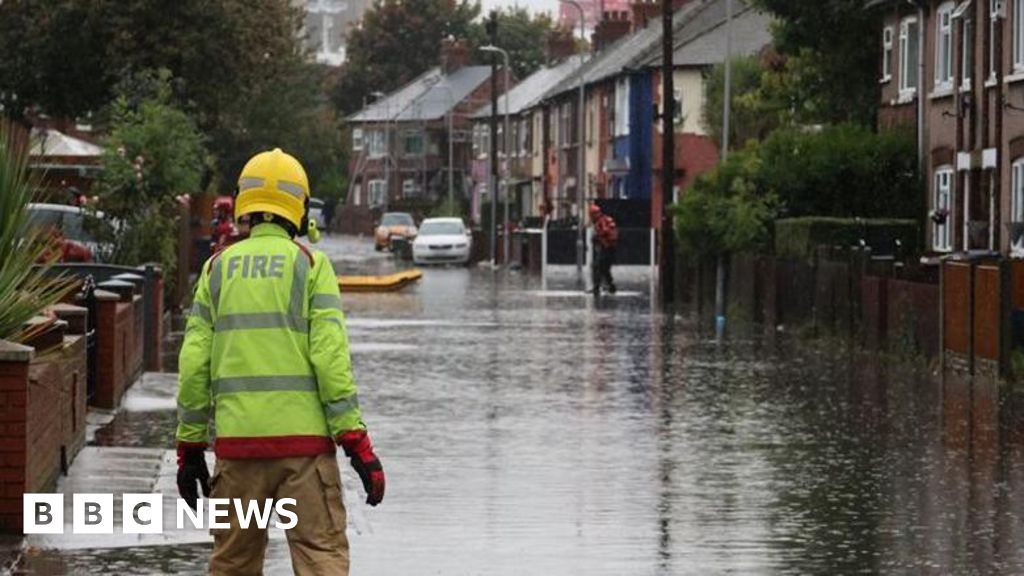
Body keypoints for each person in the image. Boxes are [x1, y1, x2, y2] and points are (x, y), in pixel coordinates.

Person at [176, 148, 385, 576]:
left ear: (244, 203)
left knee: (233, 564)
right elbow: (330, 360)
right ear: (300, 207)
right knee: (320, 558)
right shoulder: (311, 266)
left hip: (238, 454)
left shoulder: (216, 269)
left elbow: (194, 364)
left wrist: (190, 449)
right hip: (305, 458)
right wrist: (357, 444)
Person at [590, 203, 618, 296]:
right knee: (604, 268)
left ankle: (597, 288)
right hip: (610, 248)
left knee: (598, 267)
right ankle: (610, 286)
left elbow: (605, 232)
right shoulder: (607, 220)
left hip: (606, 248)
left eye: (592, 215)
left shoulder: (601, 222)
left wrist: (597, 237)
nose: (591, 217)